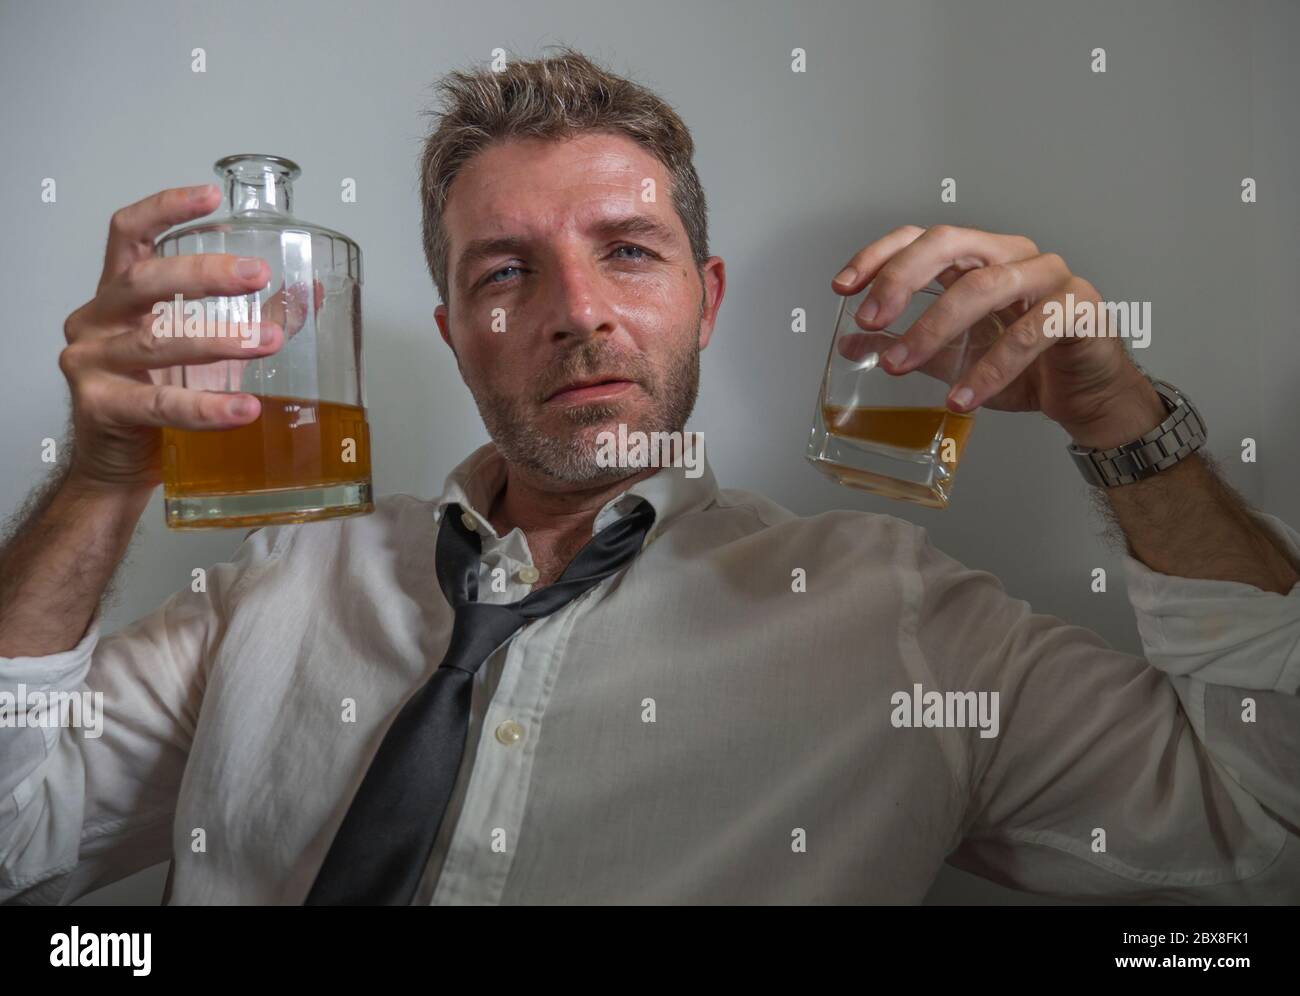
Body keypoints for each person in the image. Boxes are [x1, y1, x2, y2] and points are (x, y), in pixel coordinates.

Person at [1, 47, 1297, 905]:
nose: (578, 312)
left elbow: (1265, 821)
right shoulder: (271, 589)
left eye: (628, 251)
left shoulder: (907, 628)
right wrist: (102, 477)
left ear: (706, 299)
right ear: (453, 332)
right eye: (504, 270)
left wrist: (1123, 421)